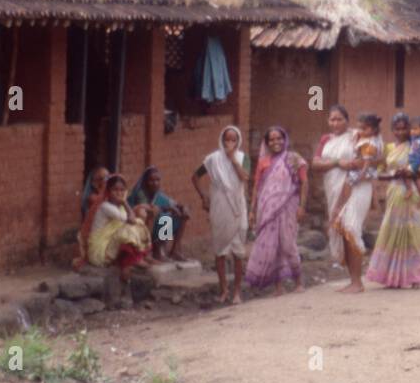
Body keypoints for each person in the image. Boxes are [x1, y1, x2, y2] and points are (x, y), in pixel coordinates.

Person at [365, 113, 420, 289]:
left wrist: (411, 172)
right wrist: (393, 174)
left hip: (414, 195)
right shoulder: (388, 149)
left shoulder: (416, 145)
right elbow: (379, 171)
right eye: (397, 128)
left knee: (415, 234)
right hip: (395, 193)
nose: (401, 132)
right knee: (392, 233)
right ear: (392, 129)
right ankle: (392, 277)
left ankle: (416, 277)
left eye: (404, 128)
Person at [245, 126, 309, 296]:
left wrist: (302, 206)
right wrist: (252, 211)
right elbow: (257, 188)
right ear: (266, 143)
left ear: (285, 138)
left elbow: (304, 183)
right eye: (271, 140)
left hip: (289, 207)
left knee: (288, 244)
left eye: (279, 138)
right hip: (267, 210)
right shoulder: (263, 162)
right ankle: (278, 287)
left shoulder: (294, 159)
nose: (276, 142)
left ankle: (298, 282)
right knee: (272, 246)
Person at [322, 111, 381, 293]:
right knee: (343, 230)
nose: (335, 122)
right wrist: (339, 162)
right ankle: (353, 280)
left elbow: (379, 157)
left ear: (348, 122)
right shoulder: (328, 139)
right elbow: (315, 163)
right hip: (339, 188)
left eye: (340, 119)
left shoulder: (361, 136)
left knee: (351, 227)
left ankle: (358, 283)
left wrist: (364, 164)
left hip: (359, 186)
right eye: (332, 119)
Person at [192, 125, 251, 305]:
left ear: (238, 141)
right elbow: (195, 176)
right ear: (222, 140)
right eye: (227, 139)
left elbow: (245, 177)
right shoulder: (212, 160)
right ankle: (224, 289)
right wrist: (204, 196)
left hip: (238, 208)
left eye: (234, 140)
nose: (230, 143)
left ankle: (237, 292)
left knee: (238, 251)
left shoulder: (243, 158)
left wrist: (233, 160)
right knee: (220, 250)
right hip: (219, 206)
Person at [87, 175, 152, 281]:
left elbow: (133, 219)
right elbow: (131, 220)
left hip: (111, 245)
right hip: (100, 252)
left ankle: (141, 256)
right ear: (108, 191)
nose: (119, 193)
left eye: (122, 190)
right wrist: (124, 202)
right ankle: (127, 264)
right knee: (129, 229)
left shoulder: (120, 207)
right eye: (115, 190)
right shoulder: (106, 207)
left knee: (139, 223)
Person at [129, 166, 191, 261]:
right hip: (141, 229)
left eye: (158, 180)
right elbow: (149, 209)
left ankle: (175, 250)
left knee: (182, 215)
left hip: (155, 227)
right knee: (165, 217)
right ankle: (156, 251)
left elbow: (175, 204)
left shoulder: (159, 195)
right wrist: (168, 208)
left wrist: (183, 208)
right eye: (151, 180)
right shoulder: (140, 194)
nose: (155, 183)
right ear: (145, 182)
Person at [73, 166, 110, 271]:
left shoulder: (112, 195)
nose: (106, 181)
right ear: (94, 183)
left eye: (108, 177)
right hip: (94, 233)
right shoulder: (92, 197)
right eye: (102, 179)